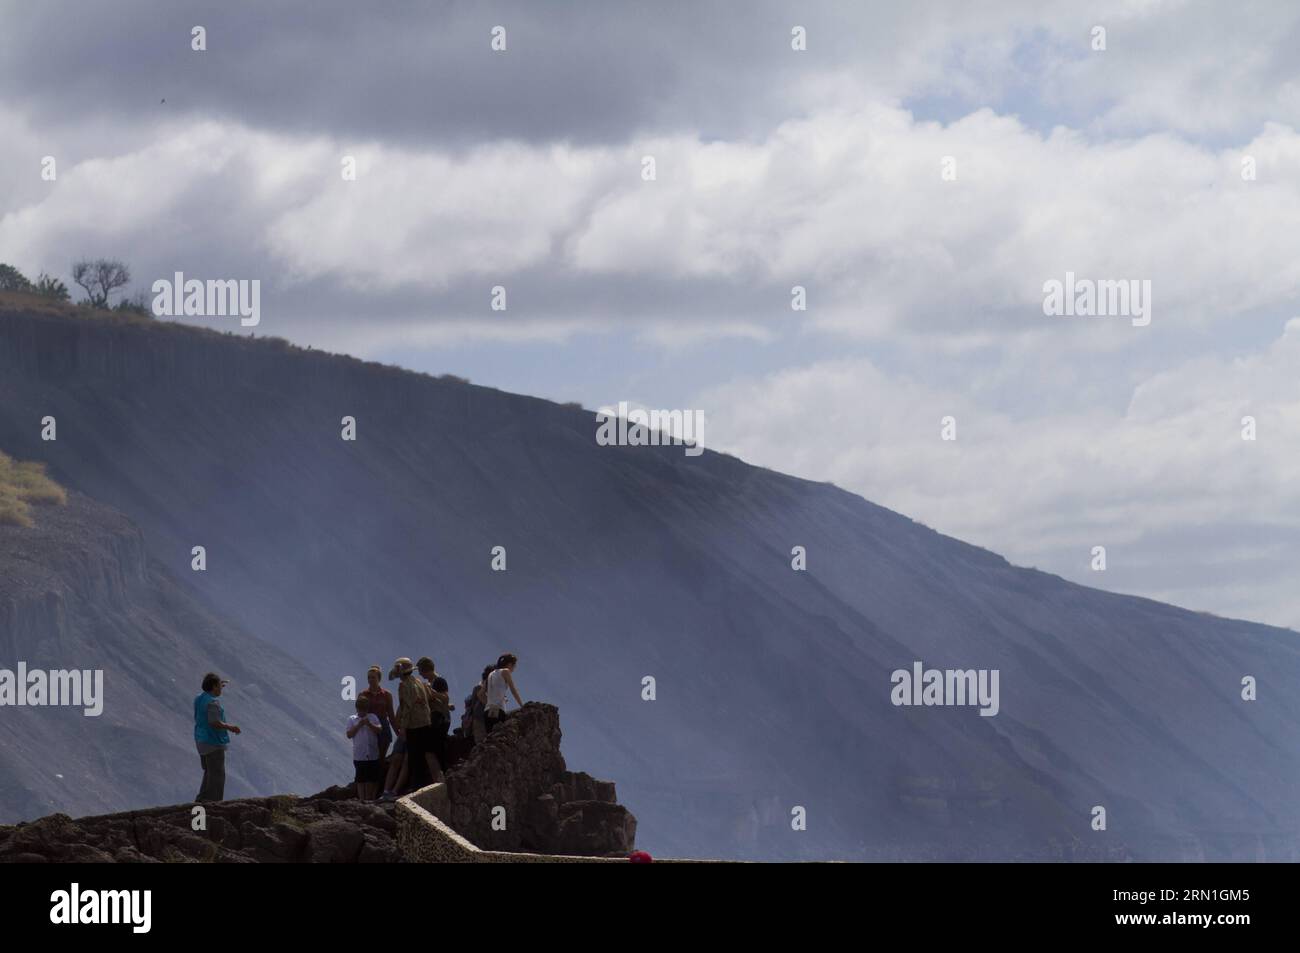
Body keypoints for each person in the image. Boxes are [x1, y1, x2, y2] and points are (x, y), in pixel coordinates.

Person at [194, 672, 241, 802]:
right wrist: (231, 727)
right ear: (214, 687)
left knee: (208, 773)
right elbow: (214, 722)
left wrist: (219, 684)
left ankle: (201, 801)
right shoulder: (213, 703)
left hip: (201, 741)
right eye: (219, 686)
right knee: (217, 775)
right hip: (212, 742)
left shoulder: (199, 698)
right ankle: (214, 803)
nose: (221, 689)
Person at [359, 665, 397, 770]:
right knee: (369, 757)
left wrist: (398, 732)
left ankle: (378, 782)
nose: (370, 680)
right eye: (369, 677)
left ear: (379, 679)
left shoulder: (386, 695)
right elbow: (359, 713)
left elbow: (391, 715)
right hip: (369, 727)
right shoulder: (363, 695)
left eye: (373, 677)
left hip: (383, 726)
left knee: (380, 758)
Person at [346, 695, 383, 800]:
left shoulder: (373, 717)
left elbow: (379, 729)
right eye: (361, 709)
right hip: (359, 754)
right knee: (361, 778)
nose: (362, 712)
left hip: (372, 753)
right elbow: (349, 734)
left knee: (371, 778)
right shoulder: (352, 719)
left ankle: (369, 798)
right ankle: (362, 799)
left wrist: (369, 724)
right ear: (357, 708)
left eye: (364, 709)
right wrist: (359, 725)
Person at [484, 654, 524, 734]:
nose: (514, 668)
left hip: (487, 710)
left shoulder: (491, 674)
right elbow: (513, 690)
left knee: (489, 738)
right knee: (498, 737)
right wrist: (522, 705)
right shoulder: (505, 671)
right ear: (509, 664)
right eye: (514, 665)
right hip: (498, 709)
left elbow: (481, 693)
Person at [462, 665, 493, 744]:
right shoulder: (479, 688)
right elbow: (484, 702)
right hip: (480, 720)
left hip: (482, 719)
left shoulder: (484, 688)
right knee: (482, 743)